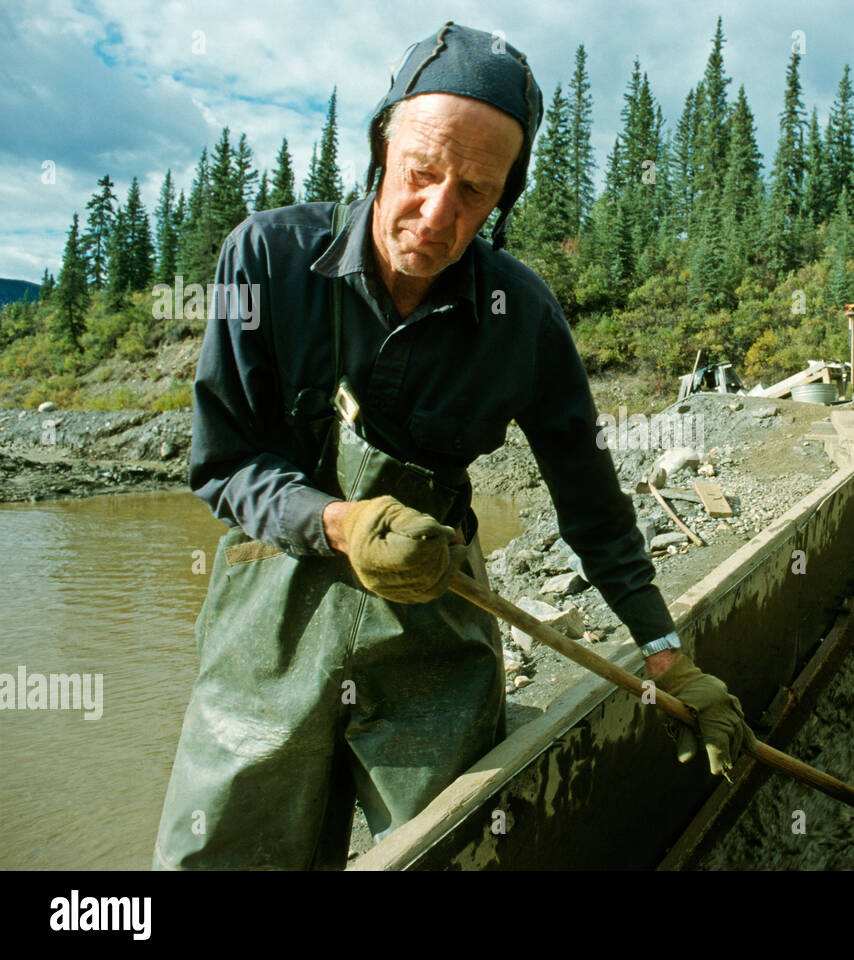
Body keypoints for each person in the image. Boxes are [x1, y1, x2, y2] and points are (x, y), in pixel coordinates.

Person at [153, 22, 753, 871]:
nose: (438, 216)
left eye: (474, 191)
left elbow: (591, 503)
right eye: (422, 173)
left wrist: (665, 656)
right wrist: (337, 523)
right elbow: (224, 464)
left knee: (456, 845)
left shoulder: (524, 321)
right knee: (221, 850)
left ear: (506, 195)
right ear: (381, 147)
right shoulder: (268, 260)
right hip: (273, 608)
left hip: (435, 618)